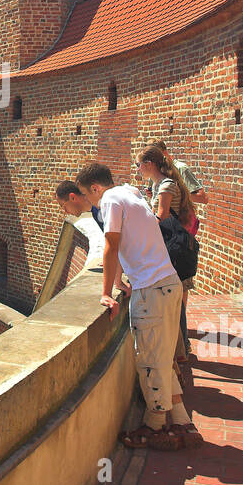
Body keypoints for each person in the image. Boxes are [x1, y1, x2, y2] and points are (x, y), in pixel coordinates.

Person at [77, 161, 203, 452]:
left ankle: (155, 426)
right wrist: (121, 279)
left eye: (88, 195)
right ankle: (182, 422)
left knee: (148, 359)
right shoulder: (130, 192)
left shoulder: (108, 200)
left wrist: (106, 291)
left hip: (152, 290)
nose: (90, 202)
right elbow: (127, 244)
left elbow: (111, 244)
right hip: (168, 284)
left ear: (95, 188)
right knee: (162, 359)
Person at [147, 140, 208, 363]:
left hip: (178, 237)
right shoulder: (160, 180)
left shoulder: (176, 172)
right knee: (176, 292)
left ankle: (182, 346)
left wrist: (173, 195)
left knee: (179, 291)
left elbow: (202, 196)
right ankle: (181, 344)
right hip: (172, 237)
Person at [55, 180, 104, 270]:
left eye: (63, 205)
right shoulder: (95, 211)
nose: (65, 211)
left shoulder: (101, 207)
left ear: (72, 197)